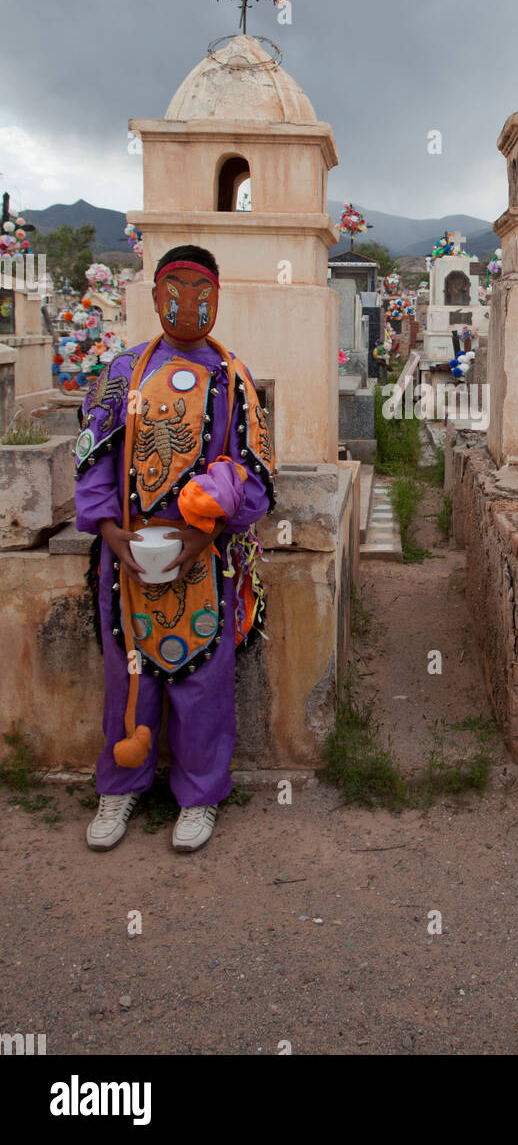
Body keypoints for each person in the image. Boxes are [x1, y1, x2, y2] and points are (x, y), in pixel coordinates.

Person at [74, 244, 275, 852]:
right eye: (175, 290)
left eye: (201, 291)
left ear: (217, 297)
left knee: (203, 682)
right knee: (129, 674)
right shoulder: (122, 372)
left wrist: (209, 530)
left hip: (204, 560)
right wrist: (109, 529)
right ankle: (121, 785)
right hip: (130, 556)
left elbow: (257, 473)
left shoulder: (233, 380)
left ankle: (201, 796)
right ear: (157, 295)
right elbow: (94, 459)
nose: (188, 304)